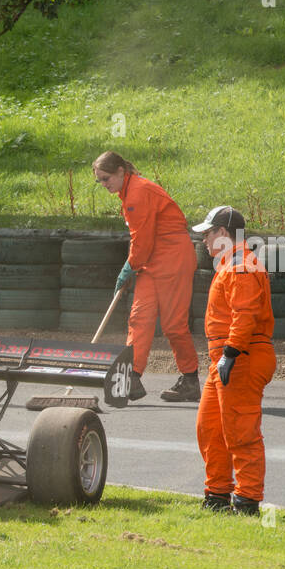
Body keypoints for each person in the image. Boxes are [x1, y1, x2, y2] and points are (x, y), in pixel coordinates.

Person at [93, 151, 200, 403]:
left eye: (106, 178)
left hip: (172, 258)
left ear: (121, 172)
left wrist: (130, 266)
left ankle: (190, 379)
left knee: (174, 325)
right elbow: (141, 241)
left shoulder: (137, 193)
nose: (104, 185)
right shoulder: (129, 191)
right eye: (100, 181)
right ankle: (132, 376)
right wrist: (133, 265)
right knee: (139, 318)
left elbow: (142, 239)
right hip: (151, 260)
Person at [192, 205, 276, 515]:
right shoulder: (232, 263)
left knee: (241, 433)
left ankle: (247, 502)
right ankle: (217, 496)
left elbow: (245, 315)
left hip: (242, 356)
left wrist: (230, 353)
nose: (204, 240)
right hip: (228, 358)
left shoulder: (240, 265)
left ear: (223, 234)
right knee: (210, 429)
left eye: (208, 233)